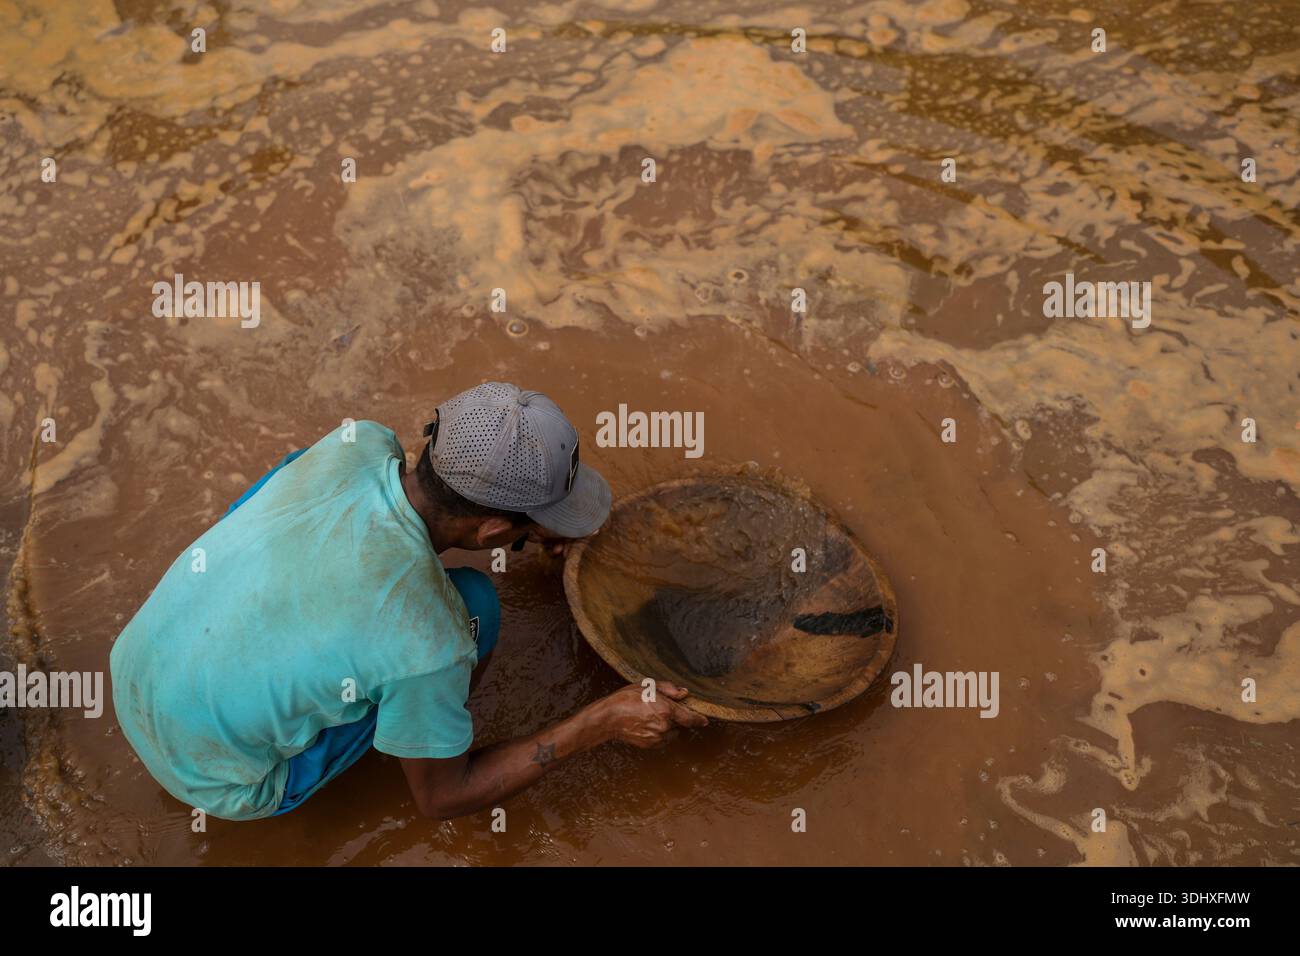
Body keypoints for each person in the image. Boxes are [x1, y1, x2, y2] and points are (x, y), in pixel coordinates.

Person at [109, 382, 707, 821]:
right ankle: (415, 727)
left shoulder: (359, 441)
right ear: (495, 534)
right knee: (476, 608)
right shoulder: (433, 641)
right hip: (218, 778)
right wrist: (600, 721)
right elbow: (444, 798)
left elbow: (279, 500)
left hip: (131, 666)